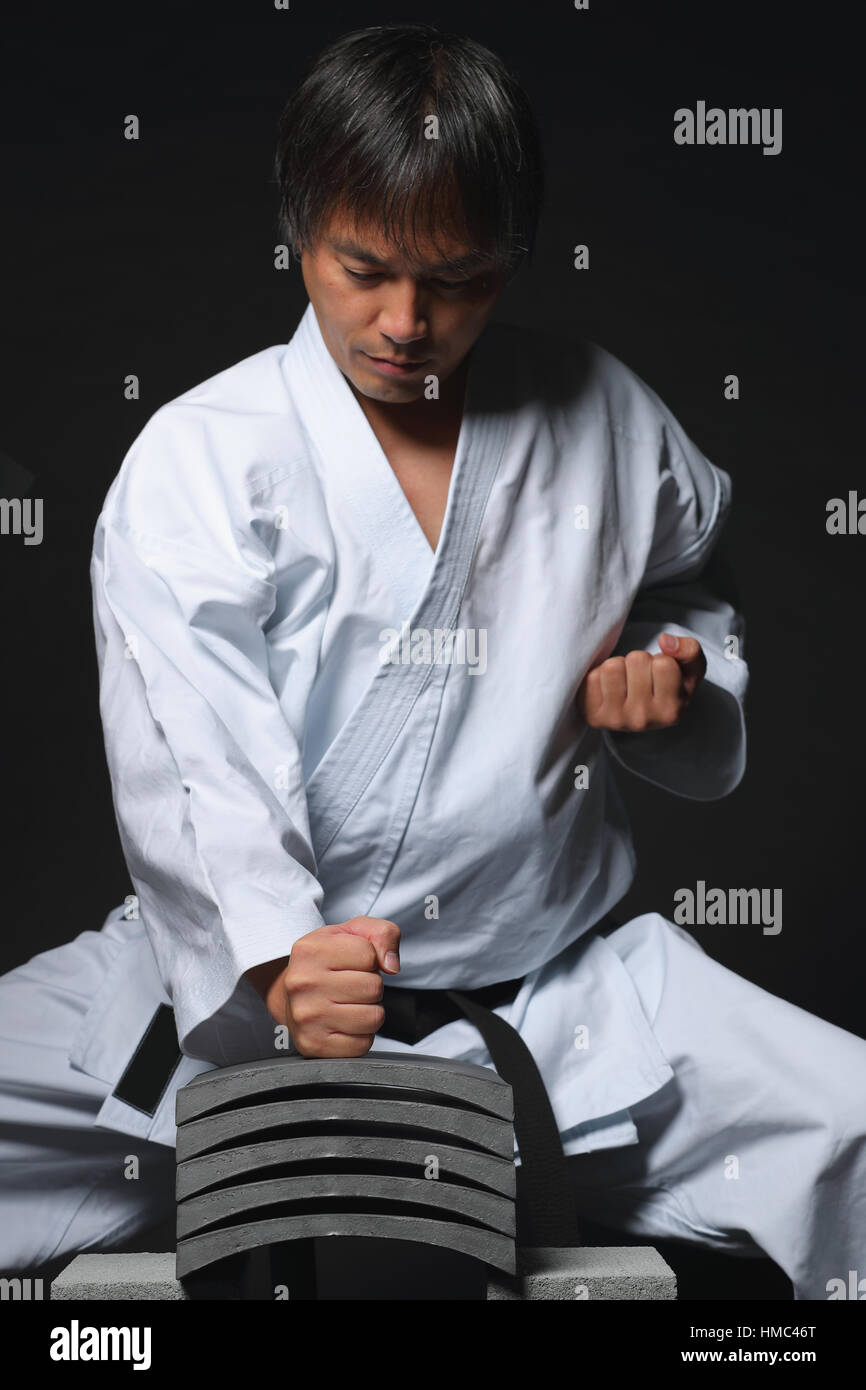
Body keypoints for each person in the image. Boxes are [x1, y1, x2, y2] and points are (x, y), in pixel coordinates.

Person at [1, 23, 863, 1300]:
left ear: (511, 257)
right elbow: (196, 758)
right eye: (363, 269)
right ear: (299, 229)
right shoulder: (201, 461)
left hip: (563, 1006)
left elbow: (688, 573)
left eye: (455, 279)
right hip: (219, 1023)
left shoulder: (604, 416)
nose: (405, 323)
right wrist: (279, 955)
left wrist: (665, 666)